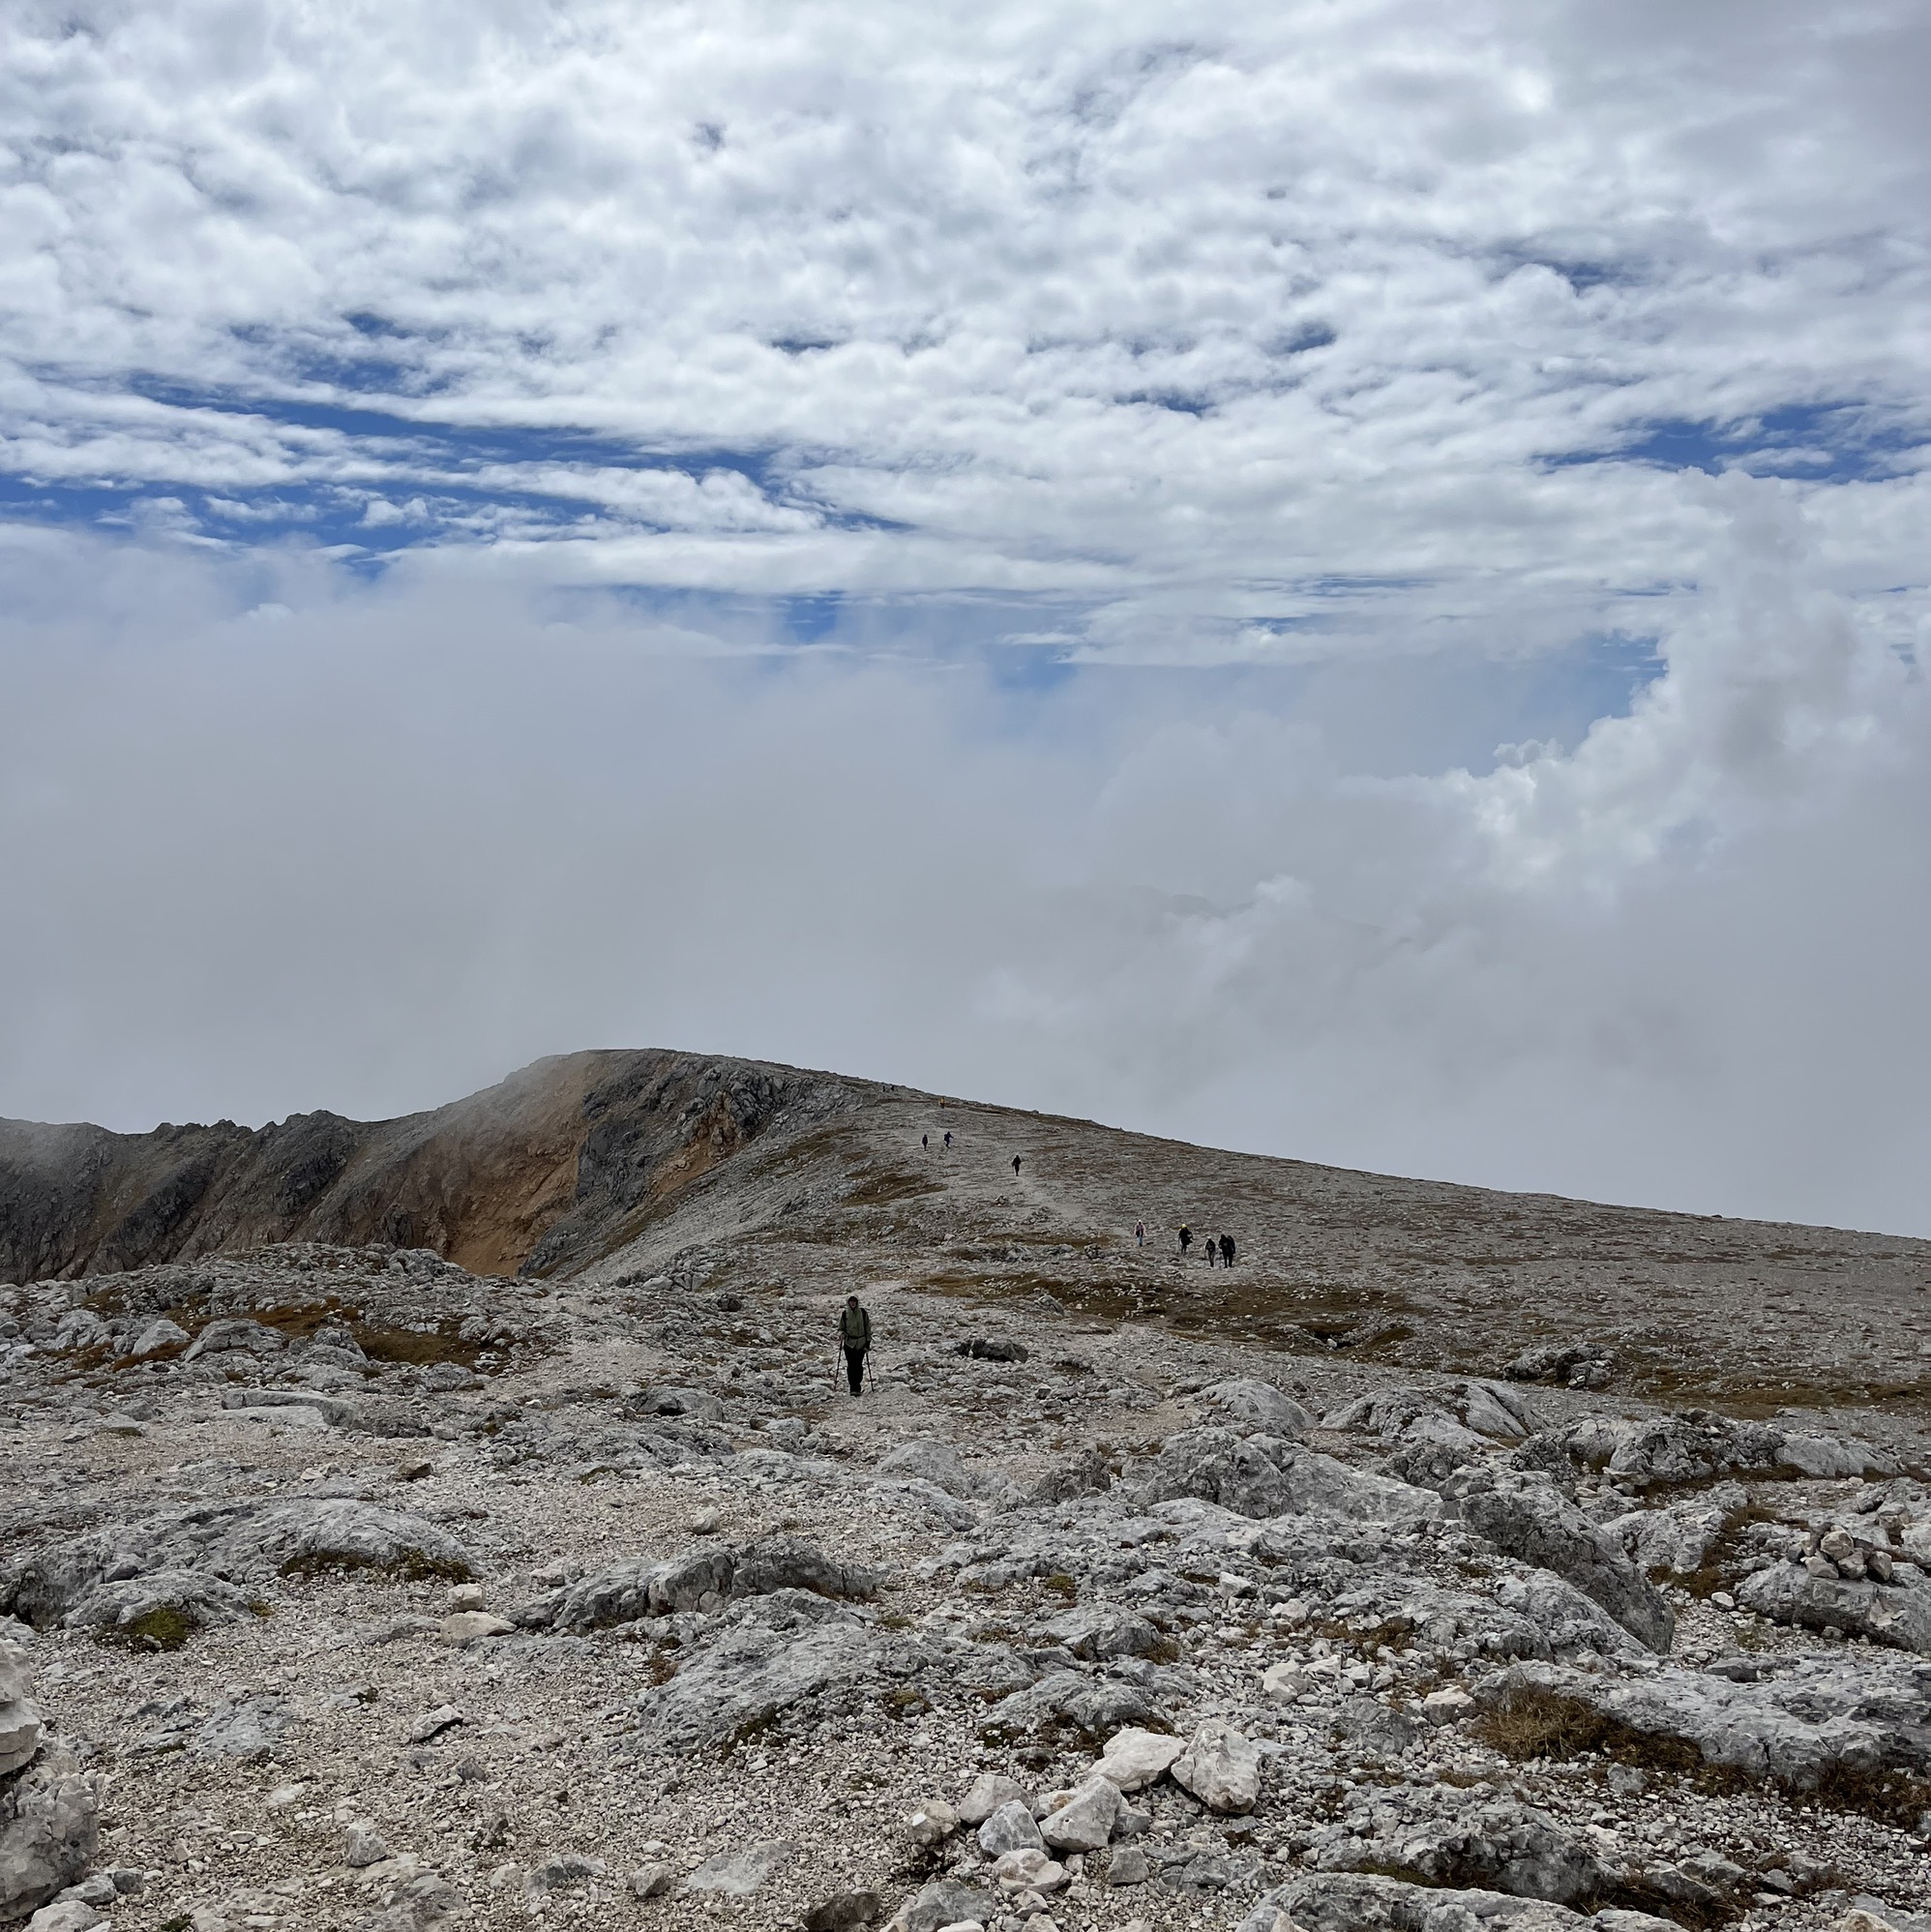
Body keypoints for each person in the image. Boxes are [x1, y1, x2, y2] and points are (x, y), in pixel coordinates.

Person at [838, 1294, 871, 1395]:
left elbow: (868, 1328)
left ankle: (857, 1386)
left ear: (857, 1302)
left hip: (861, 1343)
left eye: (854, 1301)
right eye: (851, 1301)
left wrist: (868, 1344)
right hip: (849, 1343)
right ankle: (853, 1388)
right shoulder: (845, 1314)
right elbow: (840, 1328)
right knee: (851, 1366)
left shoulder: (863, 1313)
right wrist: (841, 1334)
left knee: (858, 1366)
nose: (852, 1302)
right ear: (848, 1302)